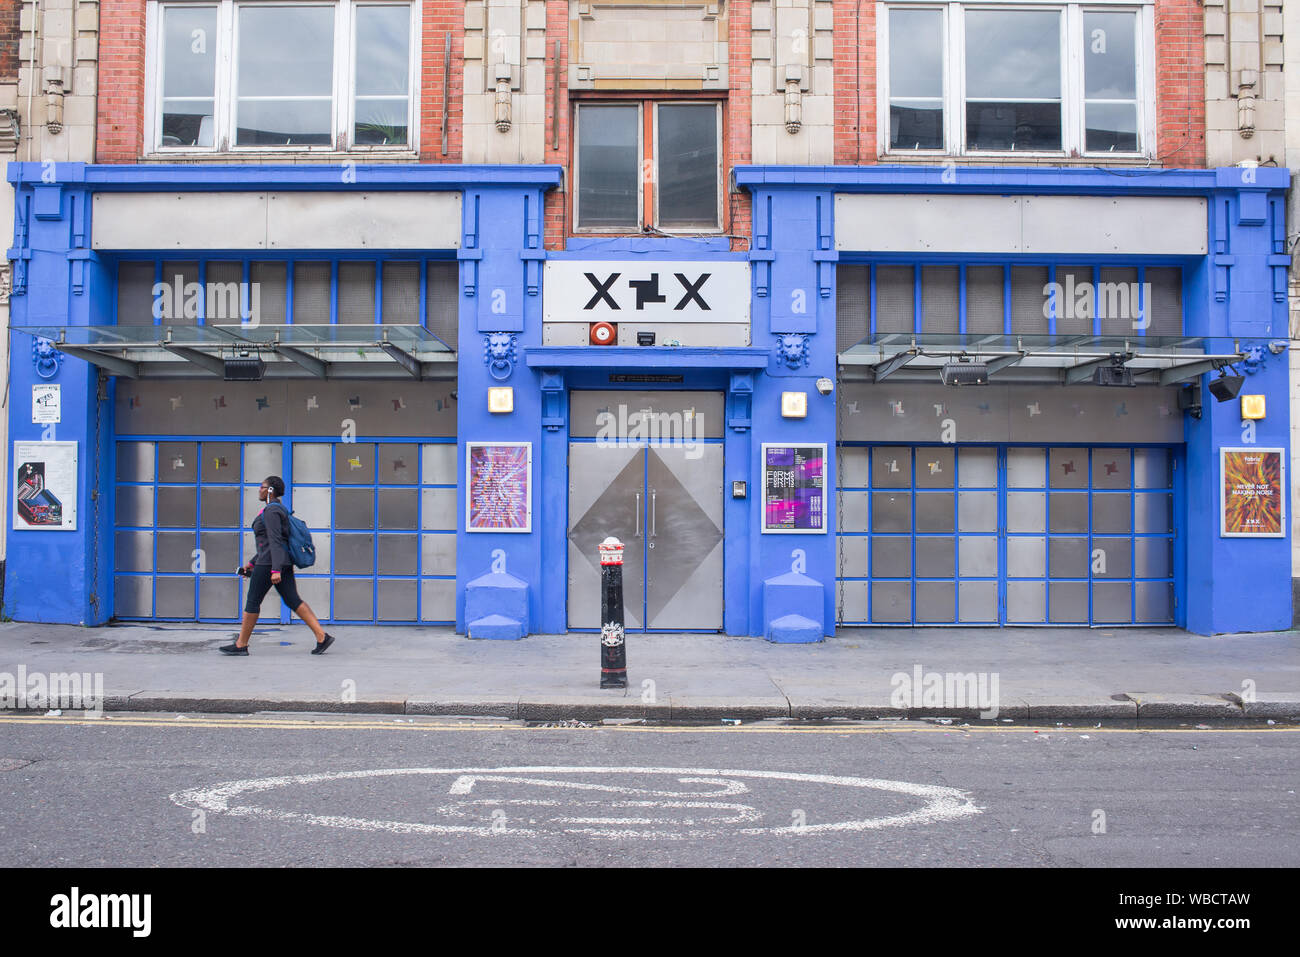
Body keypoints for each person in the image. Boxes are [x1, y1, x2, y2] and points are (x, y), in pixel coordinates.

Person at [218, 475, 335, 656]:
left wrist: (275, 569)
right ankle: (322, 637)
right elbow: (270, 543)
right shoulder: (277, 509)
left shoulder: (272, 511)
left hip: (270, 564)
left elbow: (275, 541)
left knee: (253, 601)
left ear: (270, 490)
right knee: (292, 600)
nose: (259, 489)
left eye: (262, 486)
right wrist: (252, 563)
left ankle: (241, 645)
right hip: (277, 561)